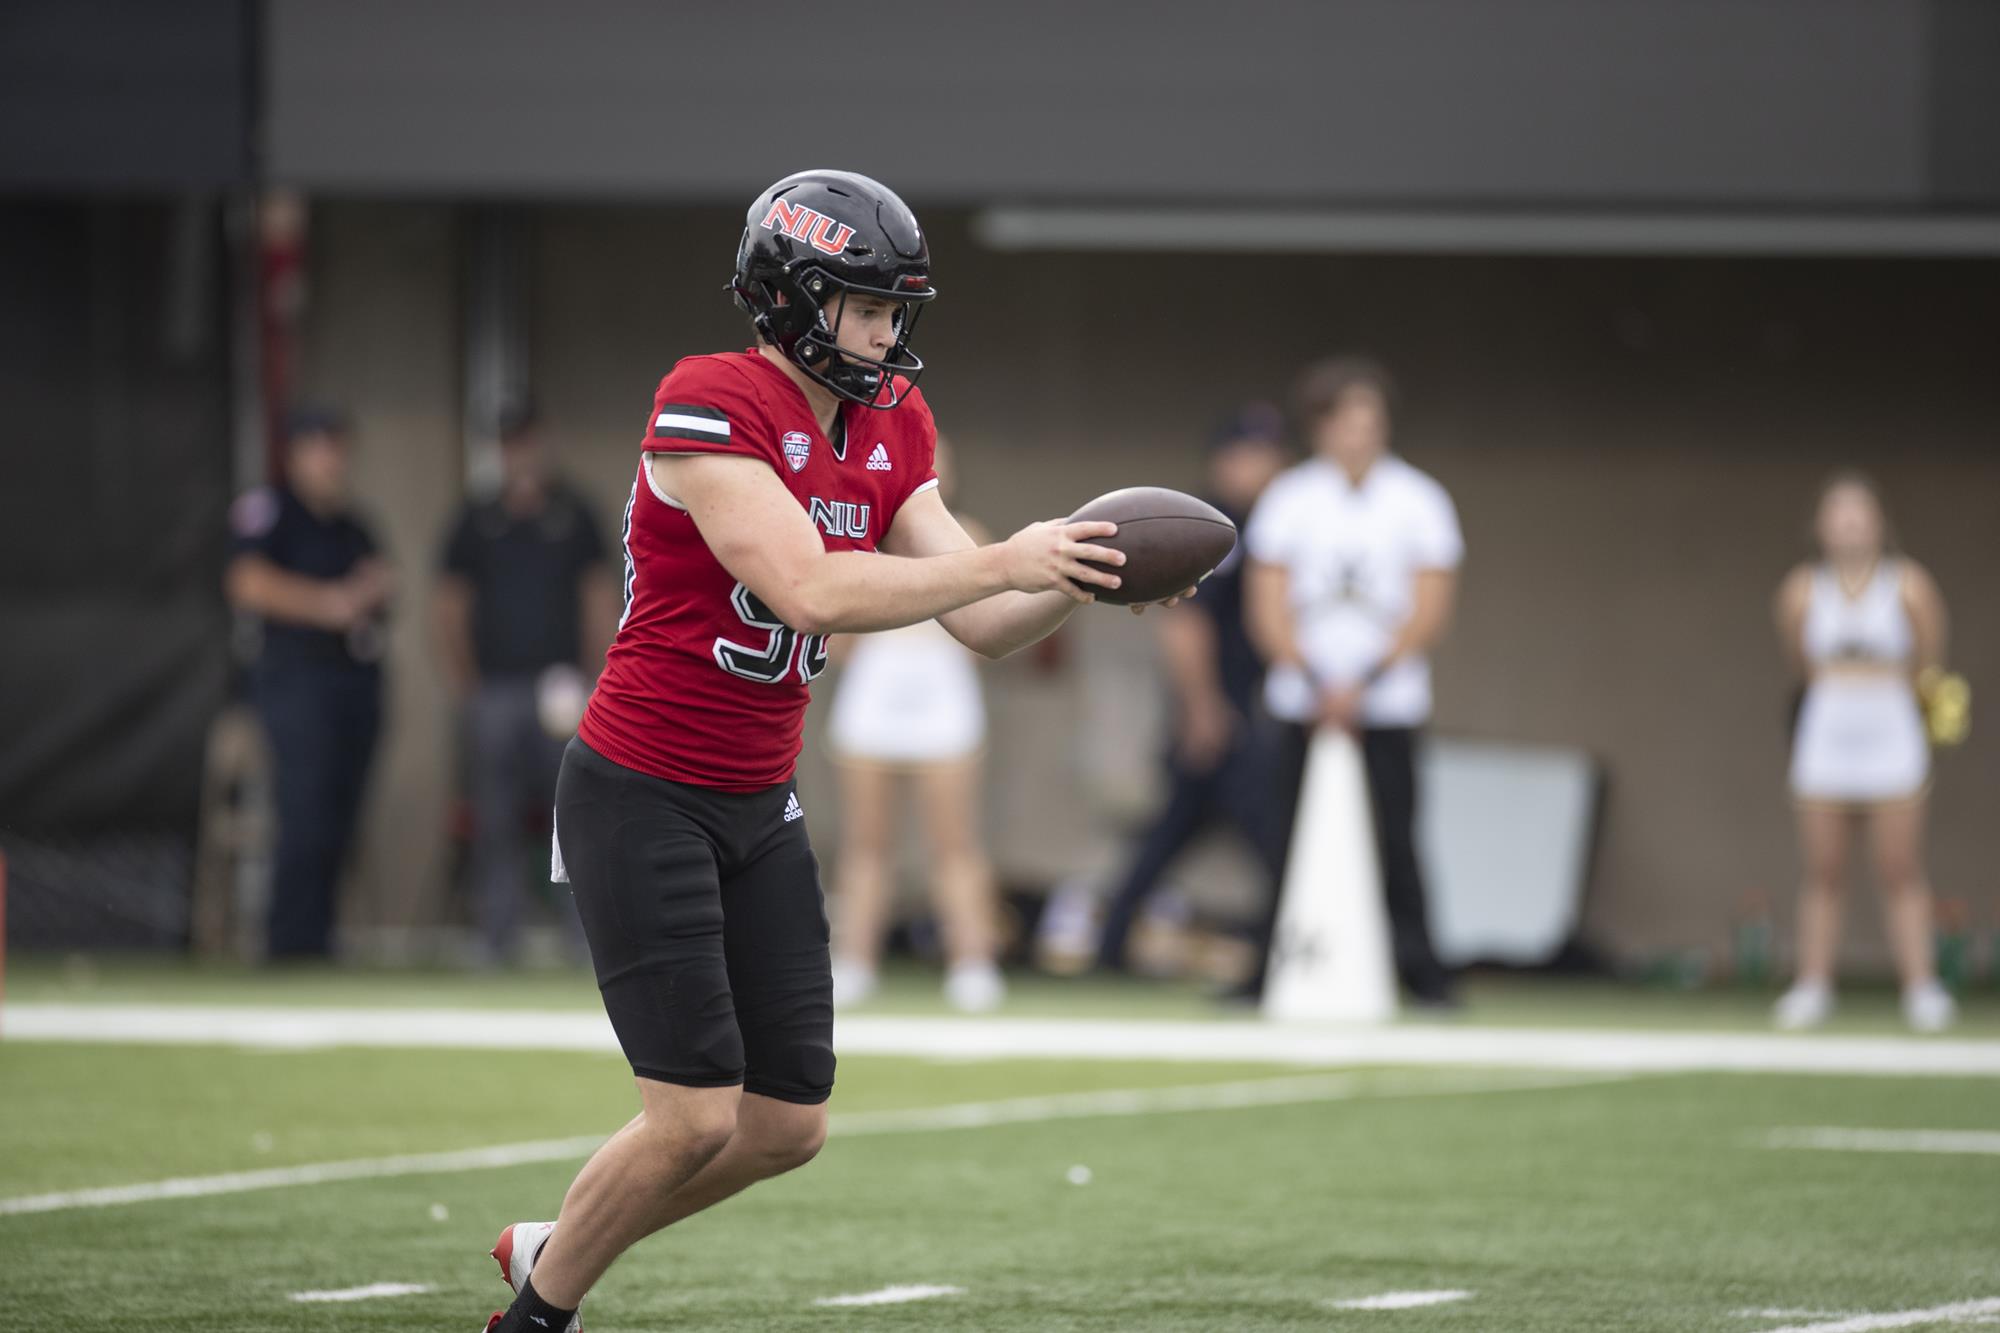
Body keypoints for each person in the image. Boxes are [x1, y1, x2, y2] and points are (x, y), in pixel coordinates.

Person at [480, 169, 1186, 1333]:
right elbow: (805, 589)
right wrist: (1009, 554)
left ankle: (555, 1242)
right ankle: (535, 1316)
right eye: (869, 306)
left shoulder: (892, 421)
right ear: (794, 297)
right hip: (641, 790)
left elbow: (983, 625)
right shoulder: (706, 401)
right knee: (693, 1114)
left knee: (784, 1124)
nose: (888, 331)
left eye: (897, 308)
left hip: (758, 799)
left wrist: (1074, 577)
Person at [1243, 357, 1462, 1008]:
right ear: (1320, 426)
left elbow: (1430, 607)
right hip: (1302, 700)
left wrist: (1363, 679)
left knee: (1398, 838)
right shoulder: (1290, 498)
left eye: (1371, 420)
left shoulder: (1419, 499)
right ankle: (1267, 970)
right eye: (1346, 420)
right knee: (1283, 837)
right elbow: (1268, 602)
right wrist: (1315, 679)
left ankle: (1422, 973)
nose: (1359, 434)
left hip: (1386, 702)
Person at [1094, 403, 1291, 987]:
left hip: (1239, 710)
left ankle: (1110, 944)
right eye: (1252, 455)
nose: (1265, 468)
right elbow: (1184, 625)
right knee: (1264, 840)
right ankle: (1275, 960)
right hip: (1220, 714)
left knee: (1172, 837)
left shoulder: (1272, 524)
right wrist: (1203, 708)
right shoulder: (1215, 528)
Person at [824, 435, 1006, 1013]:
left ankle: (972, 964)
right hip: (874, 692)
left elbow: (988, 633)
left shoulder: (970, 535)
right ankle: (854, 962)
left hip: (942, 694)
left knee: (954, 843)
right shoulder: (859, 535)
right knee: (865, 844)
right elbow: (841, 635)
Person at [434, 405, 618, 964]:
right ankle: (497, 935)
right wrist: (465, 682)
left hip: (562, 685)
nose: (520, 453)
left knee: (573, 810)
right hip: (496, 688)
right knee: (494, 813)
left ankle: (582, 936)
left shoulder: (574, 512)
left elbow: (600, 595)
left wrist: (596, 675)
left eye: (526, 440)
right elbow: (449, 603)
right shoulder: (476, 516)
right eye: (509, 443)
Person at [1773, 472, 1955, 1033]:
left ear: (1879, 523)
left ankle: (1921, 986)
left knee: (1899, 867)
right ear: (1821, 526)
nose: (1850, 524)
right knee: (1823, 869)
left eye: (1860, 513)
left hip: (1889, 729)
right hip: (1829, 731)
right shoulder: (1802, 589)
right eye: (1839, 513)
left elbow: (1929, 654)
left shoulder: (1909, 586)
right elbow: (1799, 663)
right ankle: (1813, 983)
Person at [224, 407, 390, 960]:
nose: (331, 460)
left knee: (342, 812)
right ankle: (289, 945)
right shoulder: (269, 512)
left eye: (337, 447)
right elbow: (246, 583)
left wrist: (370, 593)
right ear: (295, 454)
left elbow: (380, 587)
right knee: (305, 810)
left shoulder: (352, 525)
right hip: (295, 683)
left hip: (354, 685)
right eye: (319, 447)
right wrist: (327, 604)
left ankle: (320, 940)